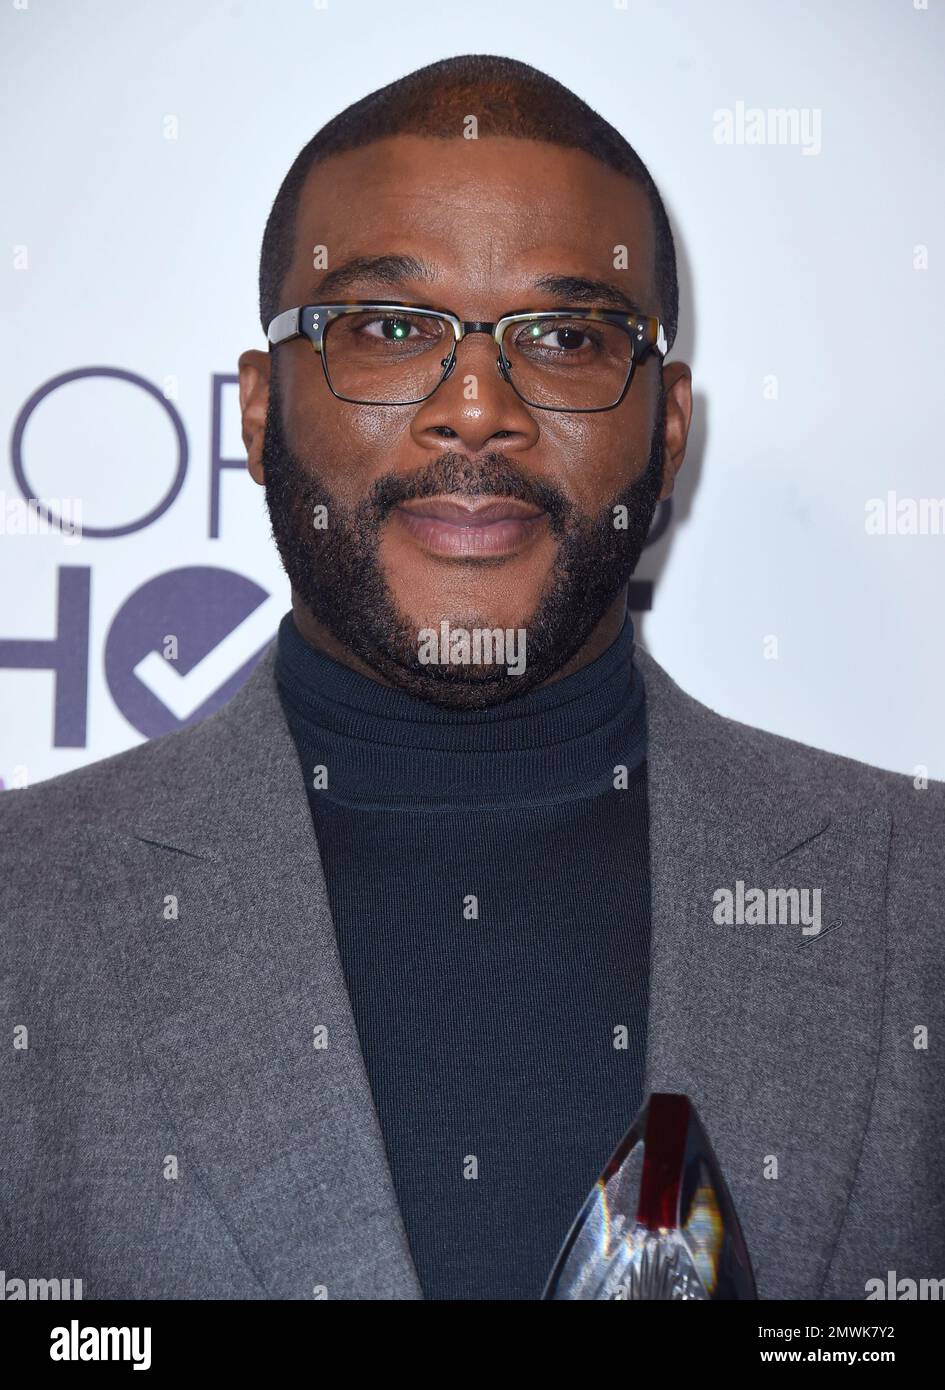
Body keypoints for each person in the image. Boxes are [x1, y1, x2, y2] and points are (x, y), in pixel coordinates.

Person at [2, 54, 942, 1302]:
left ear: (667, 428)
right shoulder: (28, 909)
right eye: (390, 329)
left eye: (565, 335)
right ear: (258, 408)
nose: (476, 409)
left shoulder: (912, 897)